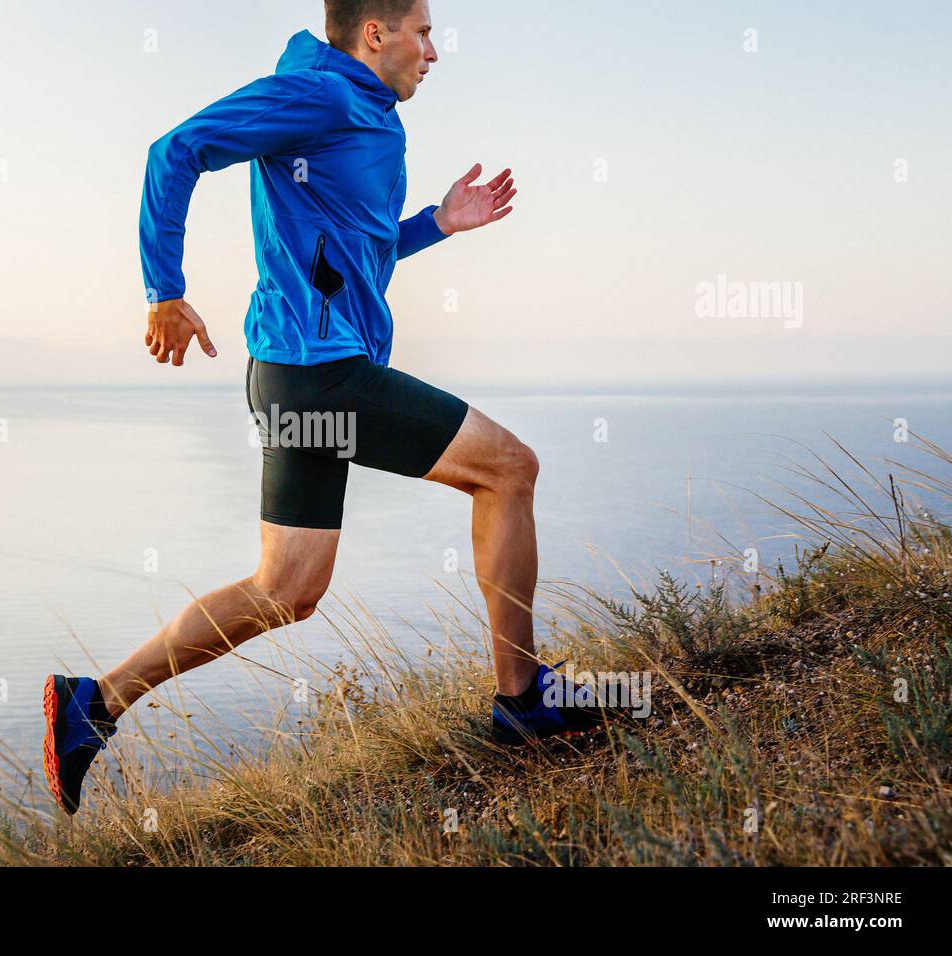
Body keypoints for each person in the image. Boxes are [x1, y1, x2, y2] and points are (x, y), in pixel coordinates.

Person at [43, 0, 614, 816]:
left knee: (288, 588)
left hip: (294, 375)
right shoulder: (317, 96)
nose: (434, 52)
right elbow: (177, 150)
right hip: (321, 376)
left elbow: (351, 243)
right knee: (509, 469)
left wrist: (438, 224)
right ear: (373, 33)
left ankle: (93, 702)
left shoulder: (364, 113)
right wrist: (163, 290)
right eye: (422, 32)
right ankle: (522, 702)